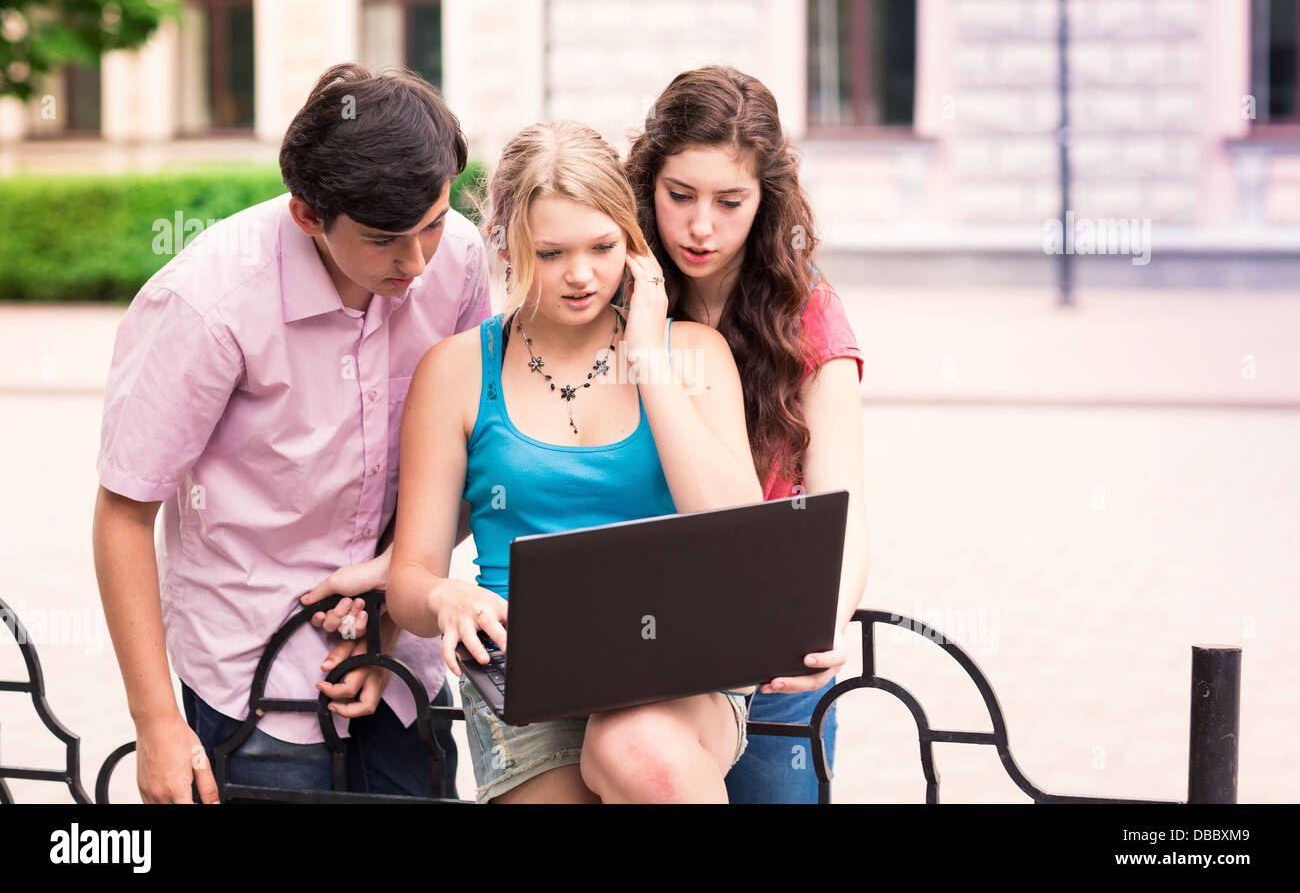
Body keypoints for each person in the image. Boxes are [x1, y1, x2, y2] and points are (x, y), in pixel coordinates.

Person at [91, 63, 489, 802]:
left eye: (432, 224)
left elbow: (471, 450)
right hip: (250, 672)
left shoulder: (459, 258)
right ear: (308, 215)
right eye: (384, 241)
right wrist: (154, 724)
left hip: (403, 662)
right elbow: (123, 512)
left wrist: (393, 613)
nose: (417, 262)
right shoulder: (207, 304)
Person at [383, 120, 764, 803]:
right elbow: (409, 577)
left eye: (603, 246)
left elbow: (742, 535)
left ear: (634, 245)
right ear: (506, 245)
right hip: (527, 671)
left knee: (637, 748)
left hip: (679, 669)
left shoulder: (694, 355)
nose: (582, 274)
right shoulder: (458, 371)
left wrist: (649, 355)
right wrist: (447, 597)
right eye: (551, 252)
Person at [625, 65, 870, 803]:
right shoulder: (613, 288)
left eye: (730, 202)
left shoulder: (808, 312)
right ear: (648, 185)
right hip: (638, 632)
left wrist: (827, 619)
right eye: (680, 196)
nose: (702, 226)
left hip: (768, 645)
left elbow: (843, 499)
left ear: (766, 201)